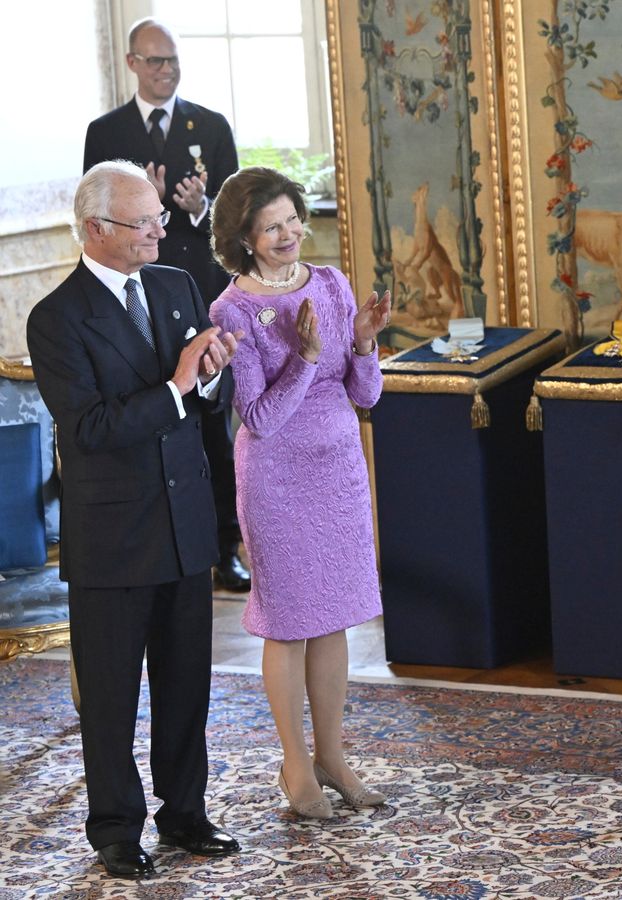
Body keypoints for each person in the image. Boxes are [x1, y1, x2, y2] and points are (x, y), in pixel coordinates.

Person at [26, 160, 242, 879]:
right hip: (113, 539)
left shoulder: (176, 284)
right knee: (113, 698)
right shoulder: (56, 318)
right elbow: (88, 429)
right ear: (96, 229)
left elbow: (205, 398)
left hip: (184, 525)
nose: (159, 229)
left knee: (187, 686)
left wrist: (210, 373)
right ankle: (116, 828)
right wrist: (180, 384)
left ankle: (184, 812)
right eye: (143, 220)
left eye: (157, 216)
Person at [207, 167, 392, 819]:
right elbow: (258, 418)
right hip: (278, 483)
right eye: (271, 227)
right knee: (288, 626)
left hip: (339, 472)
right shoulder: (233, 310)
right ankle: (295, 766)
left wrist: (364, 343)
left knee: (334, 615)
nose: (288, 234)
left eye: (292, 220)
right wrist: (307, 357)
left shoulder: (333, 284)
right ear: (245, 239)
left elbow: (364, 395)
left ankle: (333, 756)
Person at [84, 17, 249, 592]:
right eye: (154, 61)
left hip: (195, 290)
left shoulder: (212, 124)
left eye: (173, 60)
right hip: (131, 293)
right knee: (151, 410)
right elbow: (97, 222)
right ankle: (160, 541)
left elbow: (235, 219)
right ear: (132, 63)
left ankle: (225, 548)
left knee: (213, 426)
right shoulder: (106, 133)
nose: (166, 70)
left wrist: (200, 208)